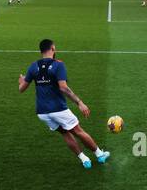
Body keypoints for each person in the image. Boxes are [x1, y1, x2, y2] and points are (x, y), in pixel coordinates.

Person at [18, 39, 109, 169]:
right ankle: (100, 155)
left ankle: (84, 160)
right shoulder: (58, 65)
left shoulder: (33, 66)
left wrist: (21, 81)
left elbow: (21, 89)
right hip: (58, 109)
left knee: (65, 133)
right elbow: (64, 88)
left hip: (42, 112)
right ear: (53, 48)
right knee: (78, 131)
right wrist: (80, 102)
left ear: (41, 51)